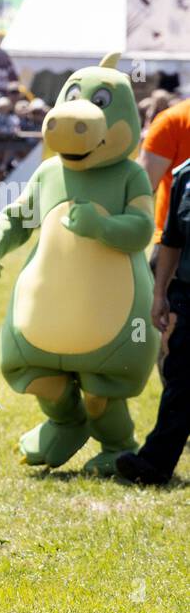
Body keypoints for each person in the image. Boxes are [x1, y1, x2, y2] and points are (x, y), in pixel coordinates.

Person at [117, 157, 190, 485]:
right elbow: (172, 241)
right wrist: (160, 293)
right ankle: (156, 463)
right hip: (188, 295)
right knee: (181, 378)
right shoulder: (184, 176)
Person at [139, 96, 190, 244]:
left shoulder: (173, 120)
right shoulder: (174, 120)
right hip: (174, 240)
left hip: (174, 247)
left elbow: (142, 187)